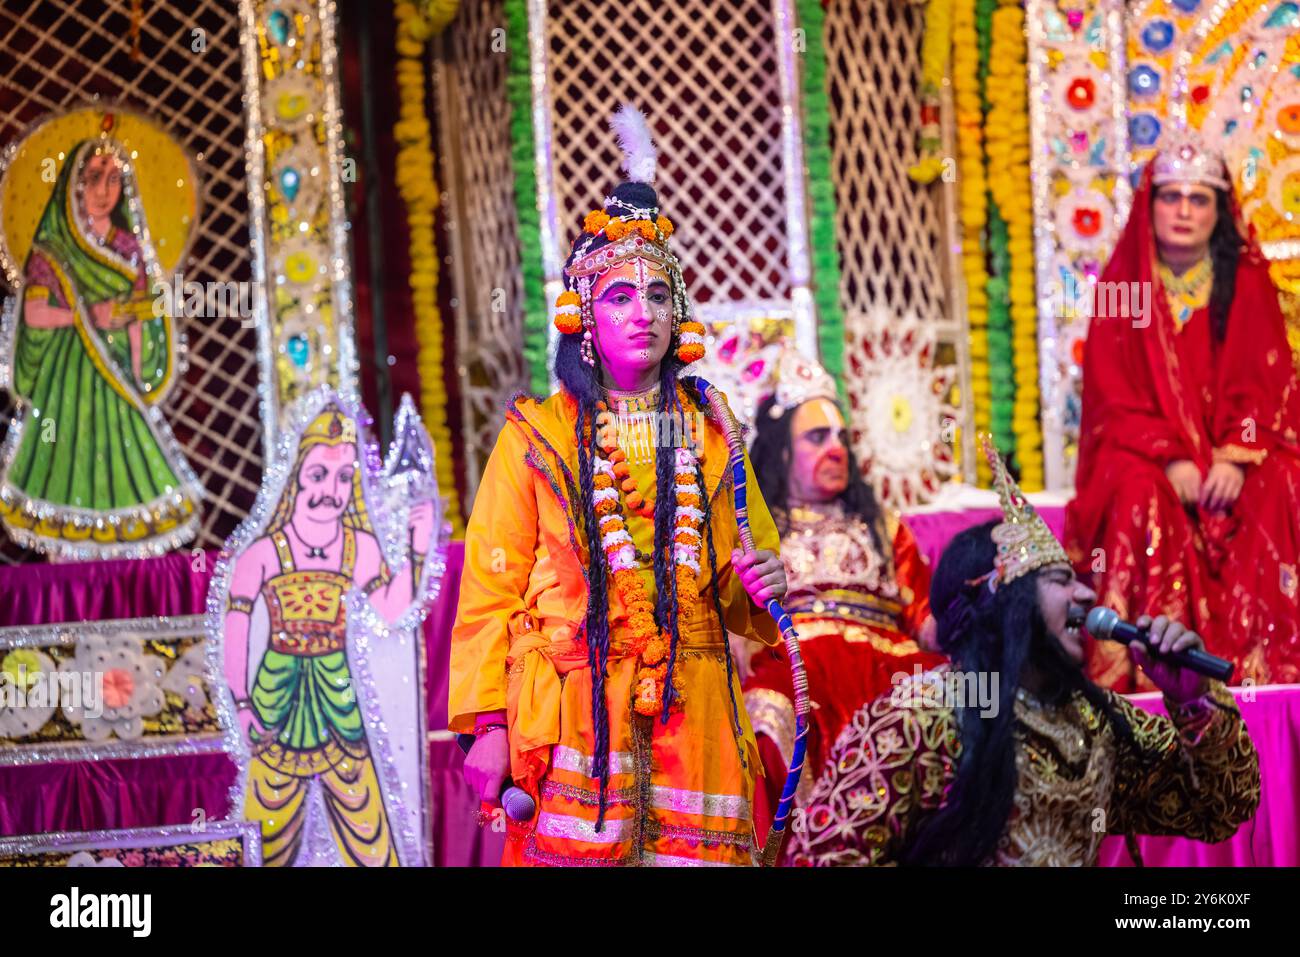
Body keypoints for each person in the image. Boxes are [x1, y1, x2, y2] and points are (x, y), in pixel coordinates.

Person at [449, 106, 787, 866]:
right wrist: (487, 725)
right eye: (621, 298)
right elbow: (489, 593)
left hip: (693, 707)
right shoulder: (536, 433)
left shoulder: (711, 426)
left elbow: (745, 586)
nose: (645, 315)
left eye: (660, 297)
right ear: (583, 318)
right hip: (574, 715)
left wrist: (769, 579)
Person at [788, 436, 1260, 866]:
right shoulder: (921, 720)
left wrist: (1196, 700)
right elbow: (821, 858)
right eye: (1059, 581)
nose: (1085, 596)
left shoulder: (1096, 721)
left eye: (1077, 578)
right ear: (1001, 599)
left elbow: (1219, 809)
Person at [1067, 128, 1300, 689]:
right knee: (1136, 495)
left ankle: (1267, 674)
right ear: (1150, 205)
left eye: (1199, 199)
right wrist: (1171, 459)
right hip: (1145, 457)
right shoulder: (1121, 288)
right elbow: (1111, 400)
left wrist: (1235, 458)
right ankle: (1142, 677)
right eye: (1171, 196)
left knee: (1283, 482)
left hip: (1228, 457)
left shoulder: (1246, 282)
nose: (1183, 211)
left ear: (1219, 211)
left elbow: (1268, 384)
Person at [741, 348, 943, 845]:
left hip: (890, 668)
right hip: (795, 669)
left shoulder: (883, 527)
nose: (836, 449)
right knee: (763, 712)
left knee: (958, 698)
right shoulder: (755, 531)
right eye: (817, 437)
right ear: (782, 451)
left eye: (842, 437)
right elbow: (735, 620)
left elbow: (929, 620)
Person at [223, 404, 434, 866]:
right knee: (267, 833)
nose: (330, 491)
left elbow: (391, 607)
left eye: (343, 479)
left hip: (339, 700)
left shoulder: (358, 546)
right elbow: (236, 627)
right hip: (275, 698)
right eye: (319, 475)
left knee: (369, 831)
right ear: (297, 476)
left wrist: (418, 552)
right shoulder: (261, 554)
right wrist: (240, 704)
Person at [0, 126, 199, 554]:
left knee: (123, 458)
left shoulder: (129, 250)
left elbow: (139, 316)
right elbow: (34, 312)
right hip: (64, 378)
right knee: (58, 454)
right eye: (94, 178)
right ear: (74, 185)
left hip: (115, 379)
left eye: (114, 179)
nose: (104, 190)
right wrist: (89, 316)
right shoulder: (52, 248)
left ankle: (120, 552)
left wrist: (138, 370)